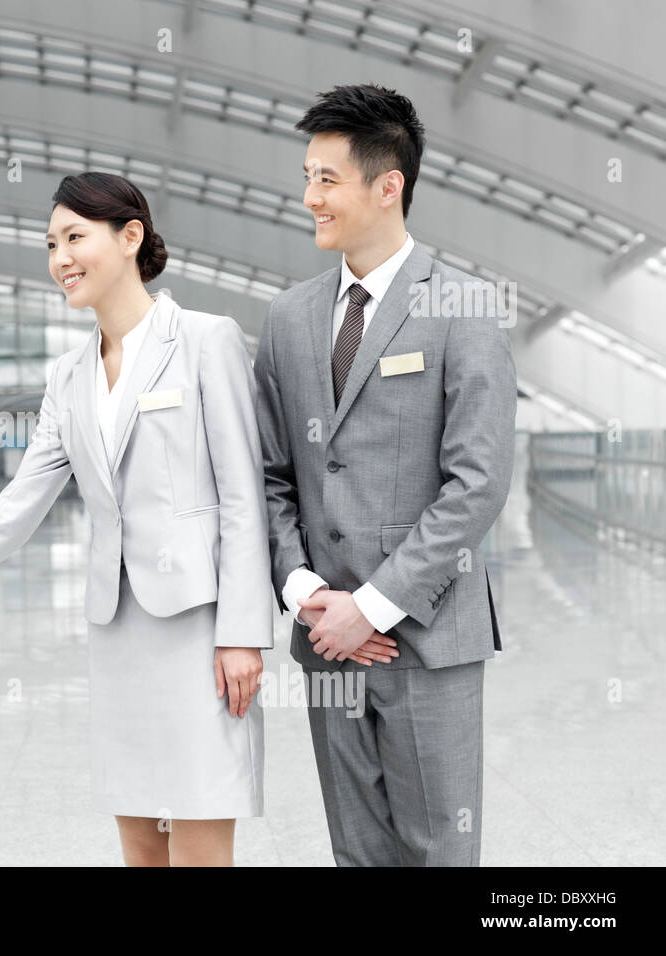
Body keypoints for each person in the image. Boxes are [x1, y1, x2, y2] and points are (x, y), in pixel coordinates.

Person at [0, 171, 393, 866]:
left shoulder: (206, 341)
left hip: (198, 634)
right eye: (51, 243)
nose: (60, 259)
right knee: (141, 846)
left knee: (201, 838)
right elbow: (17, 507)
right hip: (117, 636)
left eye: (74, 238)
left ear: (131, 237)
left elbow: (243, 495)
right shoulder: (68, 378)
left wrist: (241, 635)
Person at [253, 84, 516, 865]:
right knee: (357, 853)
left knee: (440, 849)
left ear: (387, 185)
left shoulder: (462, 306)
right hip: (326, 638)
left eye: (326, 179)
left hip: (426, 634)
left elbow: (478, 482)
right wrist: (308, 595)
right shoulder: (290, 319)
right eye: (307, 177)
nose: (310, 198)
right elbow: (271, 475)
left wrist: (373, 606)